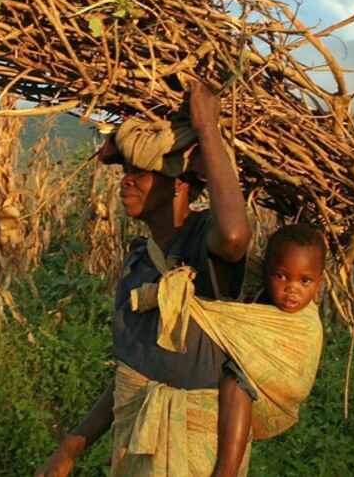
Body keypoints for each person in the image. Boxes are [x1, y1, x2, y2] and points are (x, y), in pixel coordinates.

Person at [36, 80, 252, 476]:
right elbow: (133, 373)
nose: (126, 180)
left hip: (193, 453)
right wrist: (70, 446)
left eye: (141, 171)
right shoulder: (141, 259)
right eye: (126, 171)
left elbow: (236, 236)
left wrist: (207, 129)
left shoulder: (204, 245)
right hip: (136, 448)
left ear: (180, 184)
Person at [212, 224, 326, 477]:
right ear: (265, 273)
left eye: (304, 280)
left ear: (318, 282)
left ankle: (227, 468)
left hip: (271, 384)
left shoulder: (304, 323)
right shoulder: (257, 294)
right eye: (281, 276)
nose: (292, 289)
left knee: (236, 380)